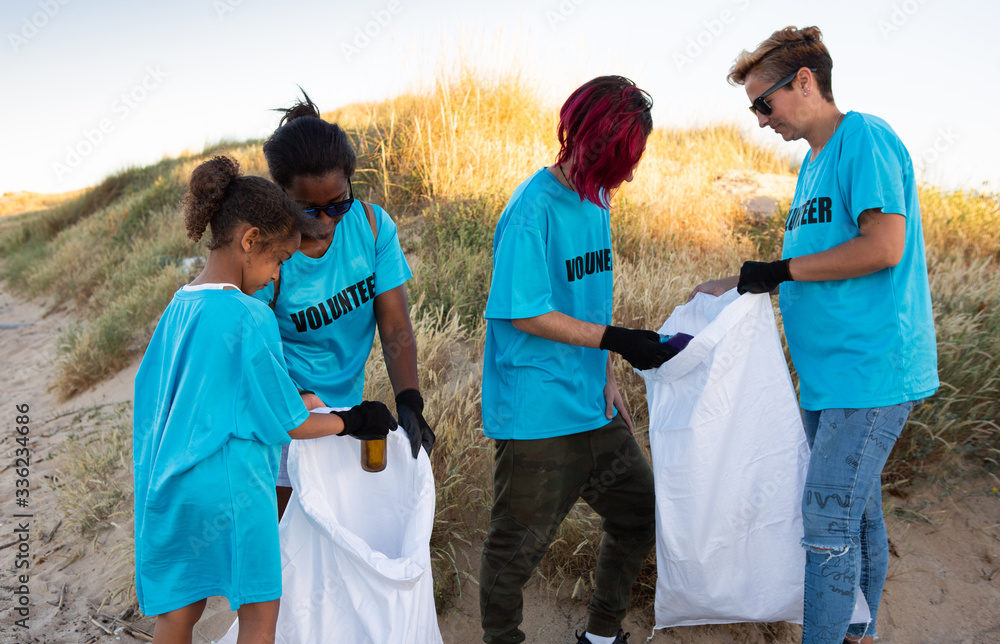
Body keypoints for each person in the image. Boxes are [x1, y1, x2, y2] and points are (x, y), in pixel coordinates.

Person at [689, 26, 939, 644]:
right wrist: (740, 283)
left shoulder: (867, 141)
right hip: (827, 380)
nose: (758, 119)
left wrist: (777, 270)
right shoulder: (811, 164)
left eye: (762, 103)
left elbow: (882, 247)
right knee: (857, 517)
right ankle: (861, 633)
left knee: (827, 522)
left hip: (871, 372)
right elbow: (817, 264)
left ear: (805, 82)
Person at [133, 156, 397, 644]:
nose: (277, 278)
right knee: (259, 611)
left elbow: (165, 399)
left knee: (177, 615)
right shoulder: (248, 316)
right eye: (278, 261)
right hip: (233, 489)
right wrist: (353, 419)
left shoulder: (177, 308)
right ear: (250, 240)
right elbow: (287, 422)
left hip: (169, 486)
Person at [479, 75, 677, 644]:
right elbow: (526, 313)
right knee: (514, 550)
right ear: (587, 141)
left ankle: (601, 635)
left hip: (593, 403)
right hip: (538, 412)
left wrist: (607, 374)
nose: (629, 174)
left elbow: (589, 296)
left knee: (639, 512)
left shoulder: (598, 199)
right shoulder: (530, 210)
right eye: (622, 160)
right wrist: (616, 340)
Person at [258, 92, 433, 517]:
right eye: (308, 210)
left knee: (336, 532)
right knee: (283, 537)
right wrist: (311, 407)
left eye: (338, 203)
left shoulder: (372, 226)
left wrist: (409, 400)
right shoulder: (266, 253)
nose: (325, 221)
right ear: (281, 195)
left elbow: (394, 325)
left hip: (348, 414)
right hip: (285, 416)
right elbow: (256, 356)